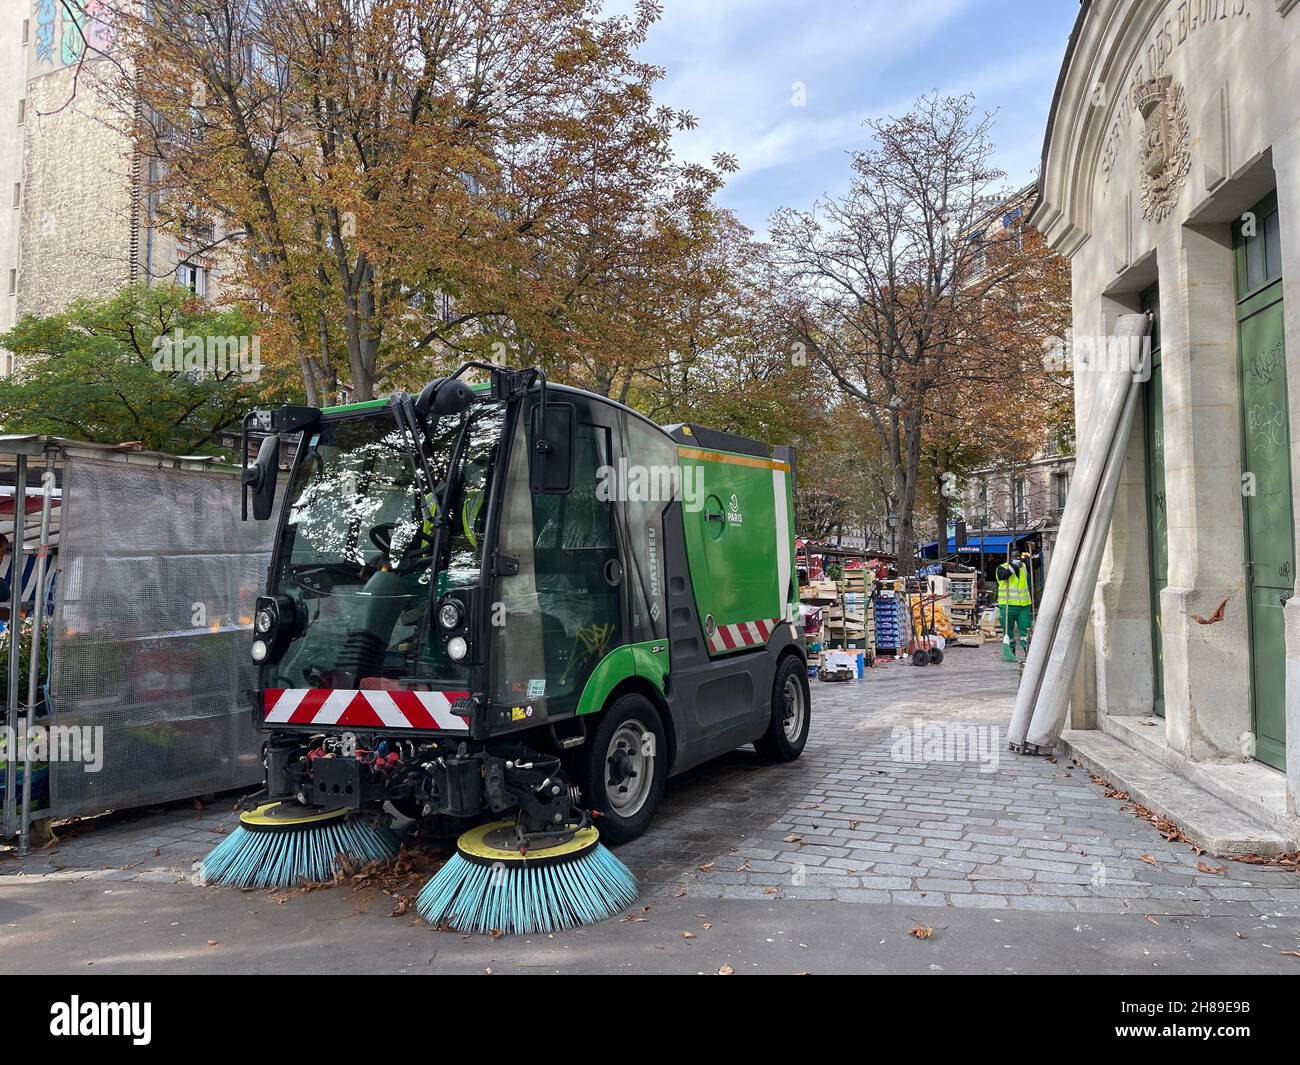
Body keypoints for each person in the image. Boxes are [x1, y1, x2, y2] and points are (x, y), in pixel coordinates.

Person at [996, 553, 1033, 662]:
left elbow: (1034, 565)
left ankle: (1028, 650)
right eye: (1014, 557)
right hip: (1008, 605)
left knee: (1026, 629)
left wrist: (1031, 556)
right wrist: (1014, 567)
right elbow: (1003, 576)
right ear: (1009, 558)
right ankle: (1010, 651)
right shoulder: (1001, 568)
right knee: (1008, 631)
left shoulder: (1024, 567)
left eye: (1018, 557)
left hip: (1024, 605)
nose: (1017, 558)